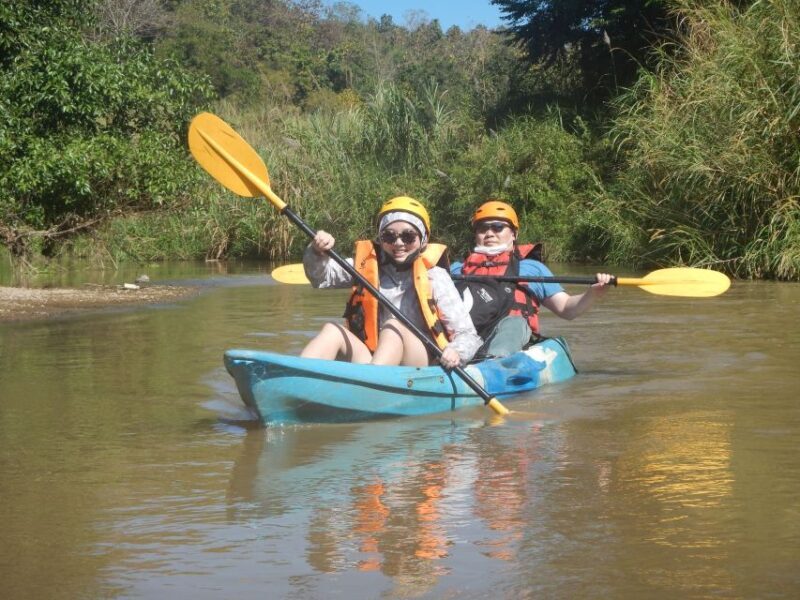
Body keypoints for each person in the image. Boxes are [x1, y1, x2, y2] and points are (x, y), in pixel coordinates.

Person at [301, 196, 482, 369]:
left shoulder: (435, 276)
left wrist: (456, 351)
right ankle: (297, 376)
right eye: (389, 236)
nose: (398, 243)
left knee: (393, 326)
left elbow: (467, 335)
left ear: (423, 239)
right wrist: (316, 251)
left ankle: (371, 385)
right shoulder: (364, 267)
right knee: (332, 330)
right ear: (380, 239)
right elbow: (321, 278)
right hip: (374, 358)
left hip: (420, 361)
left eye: (408, 237)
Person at [451, 200, 613, 357]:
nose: (489, 233)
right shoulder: (456, 270)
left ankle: (495, 362)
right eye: (482, 228)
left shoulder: (530, 269)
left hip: (512, 339)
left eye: (498, 227)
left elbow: (566, 309)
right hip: (465, 338)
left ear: (514, 234)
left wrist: (592, 293)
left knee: (514, 323)